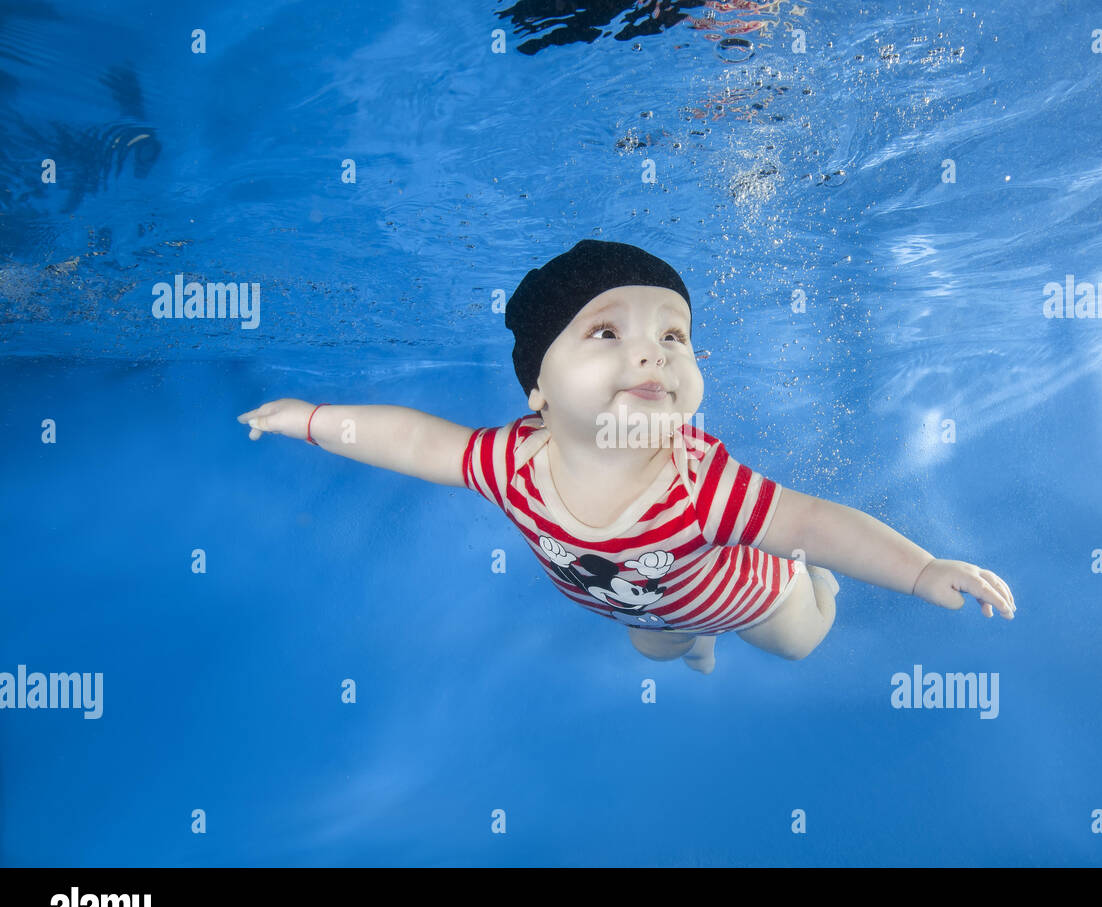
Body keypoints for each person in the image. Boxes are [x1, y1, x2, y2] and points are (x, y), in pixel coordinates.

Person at [237, 239, 1015, 675]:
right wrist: (309, 418)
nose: (653, 355)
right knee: (657, 647)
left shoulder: (700, 487)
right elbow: (412, 440)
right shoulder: (511, 461)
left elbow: (811, 518)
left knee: (800, 641)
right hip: (640, 605)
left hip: (753, 592)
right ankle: (690, 636)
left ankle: (814, 591)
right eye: (608, 332)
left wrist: (918, 571)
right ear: (537, 388)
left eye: (673, 336)